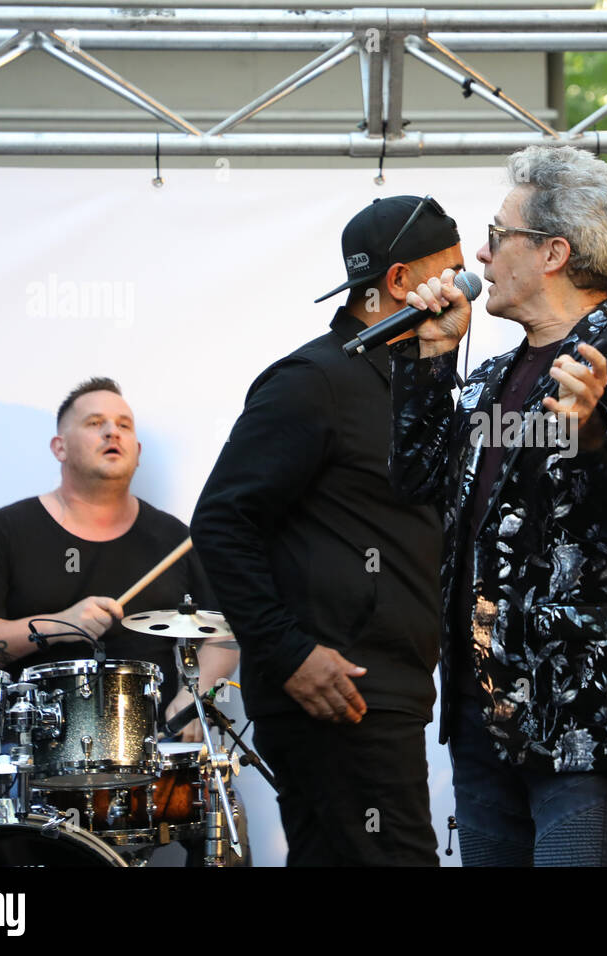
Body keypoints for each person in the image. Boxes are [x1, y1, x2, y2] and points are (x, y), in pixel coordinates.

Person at [390, 145, 607, 866]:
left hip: (576, 709)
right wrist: (433, 360)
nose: (480, 253)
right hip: (479, 706)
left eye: (499, 236)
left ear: (554, 252)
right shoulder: (493, 375)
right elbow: (414, 486)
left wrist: (597, 435)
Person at [190, 196, 459, 866]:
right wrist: (290, 654)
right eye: (450, 271)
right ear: (400, 282)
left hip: (386, 690)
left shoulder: (409, 378)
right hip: (335, 691)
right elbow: (221, 520)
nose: (466, 287)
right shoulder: (315, 380)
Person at [0, 377, 235, 741]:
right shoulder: (3, 531)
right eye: (95, 423)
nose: (113, 432)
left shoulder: (175, 538)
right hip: (33, 760)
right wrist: (57, 625)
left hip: (151, 756)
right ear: (59, 447)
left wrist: (195, 698)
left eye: (124, 425)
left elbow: (226, 633)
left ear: (137, 451)